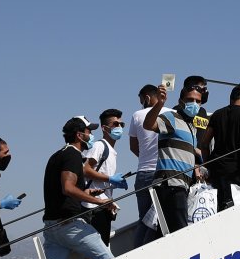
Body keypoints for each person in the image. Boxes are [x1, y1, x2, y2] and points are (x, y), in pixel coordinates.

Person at [41, 117, 115, 259]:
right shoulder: (73, 155)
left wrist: (87, 192)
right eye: (90, 131)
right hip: (70, 225)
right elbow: (68, 187)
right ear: (79, 135)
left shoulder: (57, 155)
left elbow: (63, 190)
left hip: (52, 228)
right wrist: (98, 201)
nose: (92, 135)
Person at [143, 83, 203, 233]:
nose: (194, 104)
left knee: (164, 233)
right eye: (190, 100)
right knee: (180, 232)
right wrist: (159, 104)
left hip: (182, 185)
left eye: (198, 101)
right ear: (181, 100)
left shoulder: (191, 127)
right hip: (170, 183)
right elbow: (148, 124)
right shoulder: (172, 117)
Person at [201, 85, 240, 211]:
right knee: (234, 209)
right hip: (235, 171)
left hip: (216, 169)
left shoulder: (217, 114)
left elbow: (204, 143)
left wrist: (207, 165)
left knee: (217, 208)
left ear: (231, 99)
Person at [82, 109, 129, 246]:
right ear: (104, 128)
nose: (119, 128)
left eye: (121, 125)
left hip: (103, 206)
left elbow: (100, 177)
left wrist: (114, 184)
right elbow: (86, 169)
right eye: (115, 124)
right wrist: (110, 179)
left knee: (100, 248)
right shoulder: (99, 146)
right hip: (93, 206)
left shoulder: (111, 151)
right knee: (94, 251)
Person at [129, 85, 161, 248]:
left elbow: (133, 147)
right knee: (161, 219)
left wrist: (145, 157)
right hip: (163, 171)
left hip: (143, 173)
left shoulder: (137, 115)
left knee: (144, 220)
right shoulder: (171, 113)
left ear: (147, 98)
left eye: (141, 100)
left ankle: (137, 253)